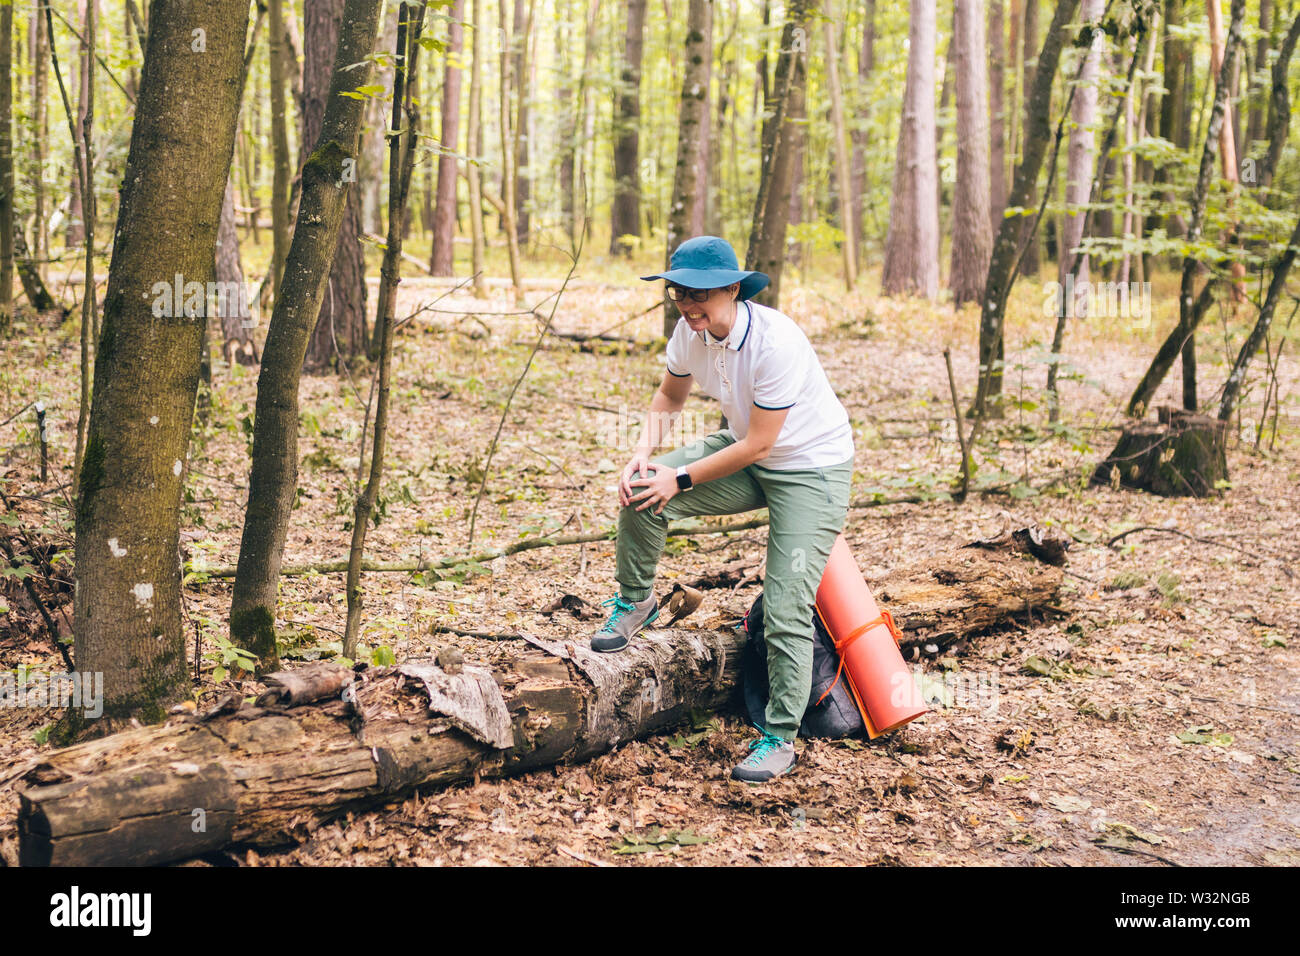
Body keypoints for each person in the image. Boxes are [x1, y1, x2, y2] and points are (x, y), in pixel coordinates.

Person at [592, 235, 855, 782]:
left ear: (733, 289)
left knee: (785, 603)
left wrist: (680, 477)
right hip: (748, 454)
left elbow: (762, 443)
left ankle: (780, 737)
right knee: (644, 490)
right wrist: (644, 456)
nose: (688, 304)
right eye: (678, 293)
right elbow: (670, 396)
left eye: (699, 294)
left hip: (811, 471)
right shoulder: (691, 333)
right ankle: (635, 600)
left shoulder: (774, 342)